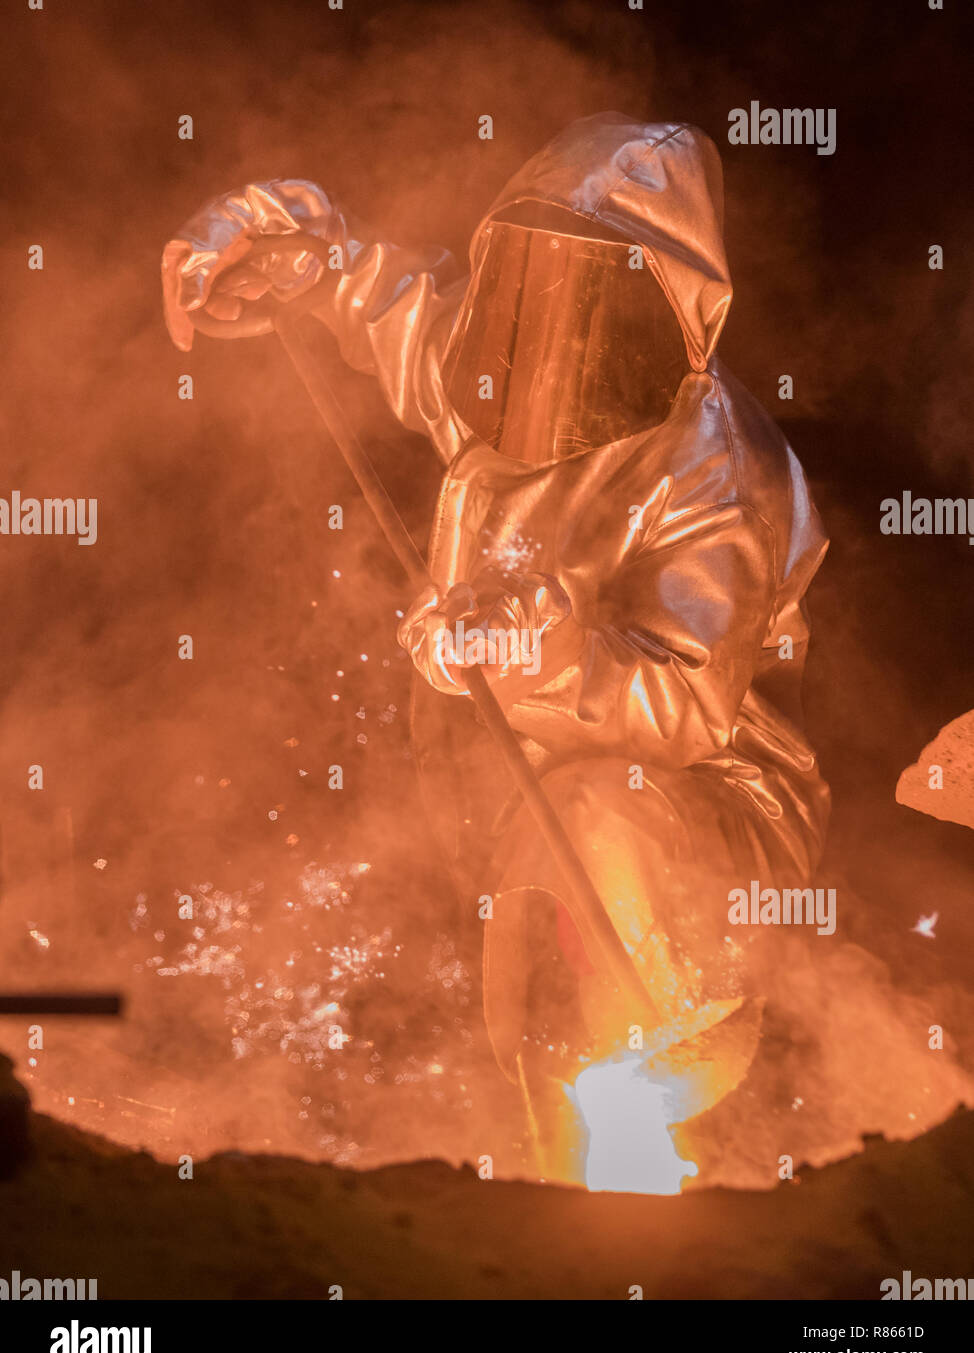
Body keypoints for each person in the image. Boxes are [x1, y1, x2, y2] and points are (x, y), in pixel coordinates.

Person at [162, 113, 830, 1183]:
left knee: (595, 813)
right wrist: (280, 245)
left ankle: (670, 1075)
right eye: (535, 285)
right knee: (513, 905)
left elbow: (681, 709)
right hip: (520, 778)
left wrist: (537, 645)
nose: (559, 334)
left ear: (673, 307)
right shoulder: (500, 371)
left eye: (597, 297)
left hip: (705, 805)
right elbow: (378, 296)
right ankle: (551, 1184)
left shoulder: (717, 468)